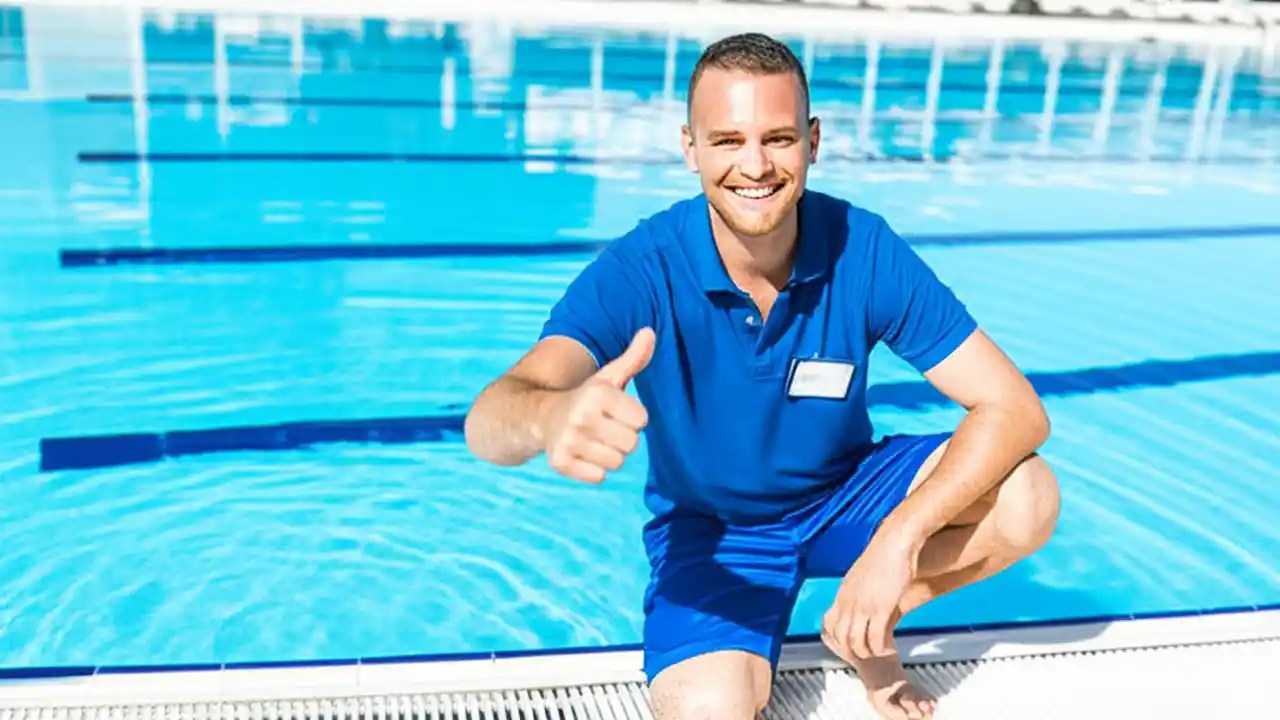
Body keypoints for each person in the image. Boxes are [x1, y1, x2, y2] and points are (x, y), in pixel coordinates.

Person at [464, 32, 1060, 720]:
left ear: (812, 139)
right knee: (706, 709)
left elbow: (1016, 409)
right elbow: (491, 417)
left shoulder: (862, 248)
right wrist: (549, 417)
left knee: (1028, 494)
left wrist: (897, 544)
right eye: (727, 141)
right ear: (690, 148)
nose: (755, 167)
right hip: (718, 536)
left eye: (777, 138)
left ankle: (868, 622)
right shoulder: (641, 269)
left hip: (846, 497)